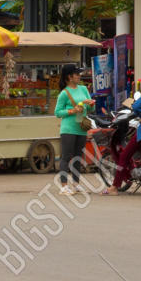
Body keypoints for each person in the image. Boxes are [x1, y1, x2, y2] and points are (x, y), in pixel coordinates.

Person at [54, 64, 93, 194]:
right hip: (68, 129)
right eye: (76, 74)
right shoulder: (64, 93)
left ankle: (76, 184)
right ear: (69, 77)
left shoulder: (83, 89)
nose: (79, 76)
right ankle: (64, 186)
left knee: (78, 156)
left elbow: (90, 109)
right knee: (66, 156)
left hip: (81, 127)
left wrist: (91, 105)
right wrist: (72, 110)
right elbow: (58, 112)